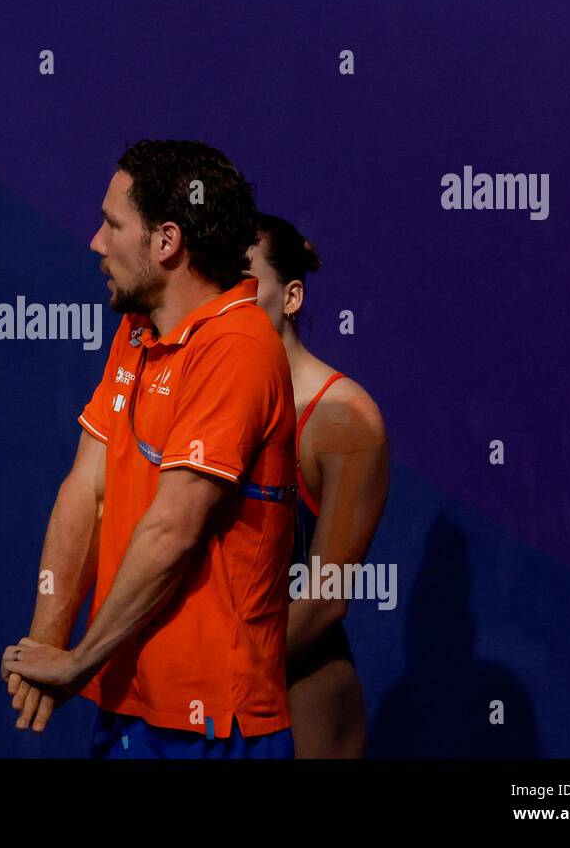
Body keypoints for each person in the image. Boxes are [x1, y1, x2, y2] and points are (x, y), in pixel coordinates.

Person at [2, 140, 298, 758]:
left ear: (165, 242)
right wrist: (49, 645)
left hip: (214, 724)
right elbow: (86, 489)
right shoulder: (138, 330)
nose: (95, 243)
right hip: (128, 699)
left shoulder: (239, 346)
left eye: (113, 225)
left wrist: (80, 657)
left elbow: (174, 530)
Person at [245, 213, 389, 758]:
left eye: (246, 274)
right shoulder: (200, 404)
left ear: (292, 296)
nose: (230, 294)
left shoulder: (342, 417)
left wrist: (220, 678)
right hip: (204, 702)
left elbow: (325, 599)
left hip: (298, 703)